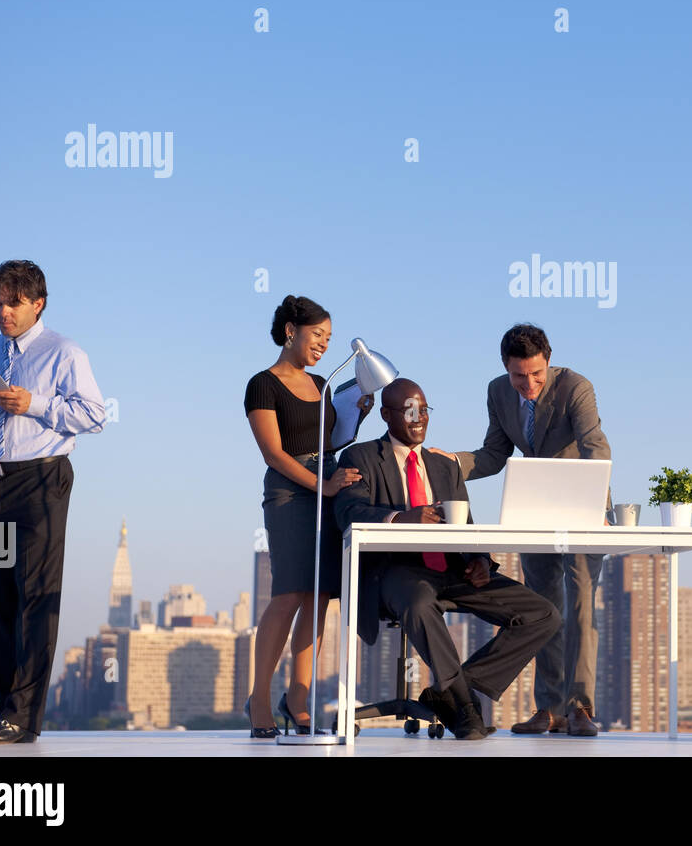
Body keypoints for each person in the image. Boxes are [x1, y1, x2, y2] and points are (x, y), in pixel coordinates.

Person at [334, 378, 561, 741]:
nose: (418, 417)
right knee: (420, 601)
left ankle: (453, 692)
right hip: (394, 571)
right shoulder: (360, 457)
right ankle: (465, 708)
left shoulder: (444, 466)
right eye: (409, 410)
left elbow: (465, 526)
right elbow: (349, 511)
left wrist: (481, 561)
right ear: (386, 414)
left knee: (543, 614)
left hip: (452, 571)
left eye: (423, 410)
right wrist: (402, 518)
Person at [0, 260, 105, 744]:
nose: (3, 312)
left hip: (41, 481)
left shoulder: (65, 352)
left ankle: (22, 716)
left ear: (38, 304)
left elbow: (95, 415)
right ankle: (4, 713)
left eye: (13, 303)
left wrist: (33, 404)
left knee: (35, 599)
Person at [429, 323, 610, 736]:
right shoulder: (497, 391)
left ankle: (580, 709)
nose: (528, 384)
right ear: (505, 369)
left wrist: (598, 504)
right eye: (518, 376)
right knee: (543, 609)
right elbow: (494, 455)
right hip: (537, 510)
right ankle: (549, 709)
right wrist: (450, 462)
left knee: (580, 604)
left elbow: (593, 445)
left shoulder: (575, 387)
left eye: (536, 375)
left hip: (585, 508)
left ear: (548, 362)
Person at [244, 295, 370, 736]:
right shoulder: (263, 384)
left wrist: (355, 415)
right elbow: (274, 453)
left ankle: (297, 698)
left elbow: (330, 440)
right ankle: (258, 698)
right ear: (291, 331)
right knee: (288, 594)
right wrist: (324, 485)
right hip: (291, 492)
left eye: (329, 338)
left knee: (318, 597)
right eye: (318, 335)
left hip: (329, 482)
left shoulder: (322, 383)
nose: (324, 345)